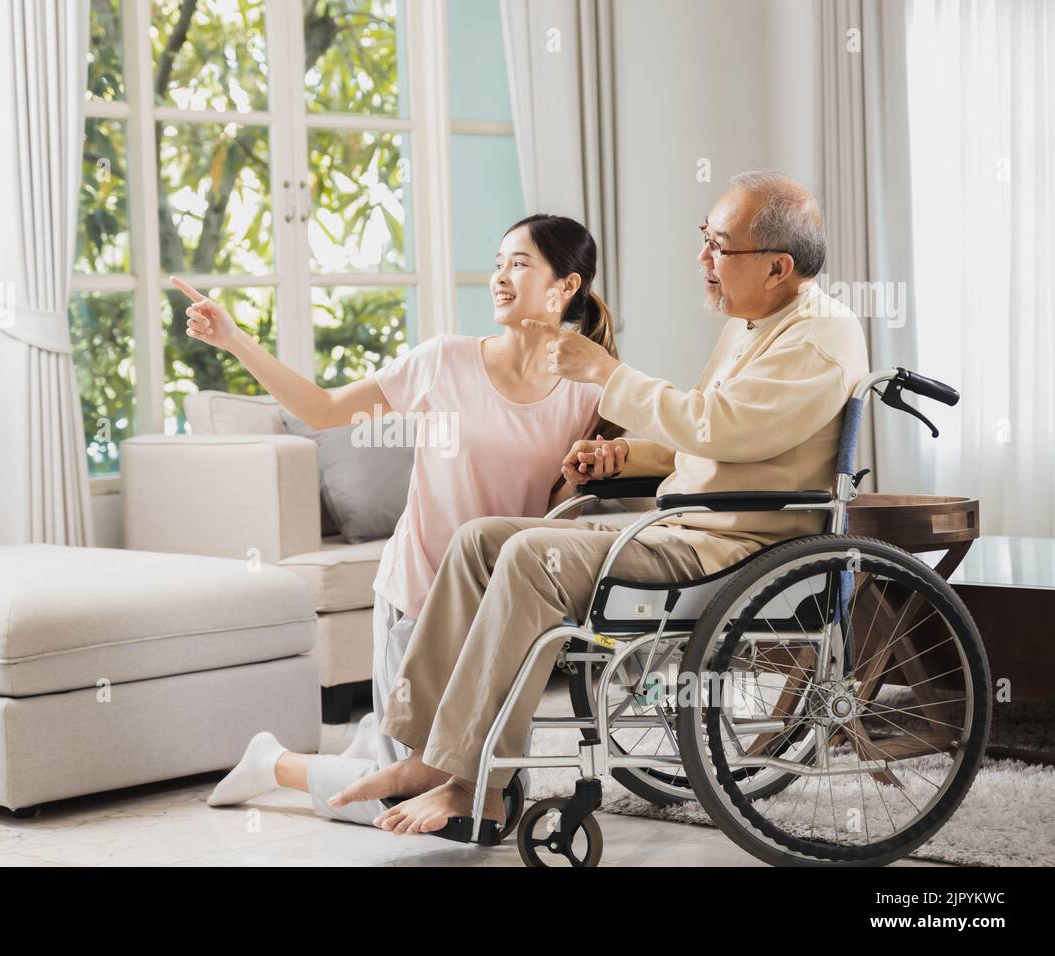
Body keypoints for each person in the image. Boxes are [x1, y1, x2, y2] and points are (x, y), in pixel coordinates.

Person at [332, 171, 872, 834]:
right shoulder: (755, 321)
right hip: (687, 529)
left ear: (777, 266)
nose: (703, 259)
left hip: (732, 550)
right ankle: (425, 754)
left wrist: (609, 377)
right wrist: (624, 457)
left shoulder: (816, 338)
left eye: (719, 246)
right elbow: (705, 439)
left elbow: (717, 426)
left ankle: (478, 779)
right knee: (479, 540)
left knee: (531, 555)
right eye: (704, 239)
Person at [194, 214, 623, 825]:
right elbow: (320, 409)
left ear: (565, 286)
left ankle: (353, 749)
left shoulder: (586, 392)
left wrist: (581, 476)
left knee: (481, 804)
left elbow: (555, 509)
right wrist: (234, 339)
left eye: (519, 264)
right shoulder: (443, 362)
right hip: (419, 602)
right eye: (499, 261)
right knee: (429, 801)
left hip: (502, 618)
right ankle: (276, 764)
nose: (499, 276)